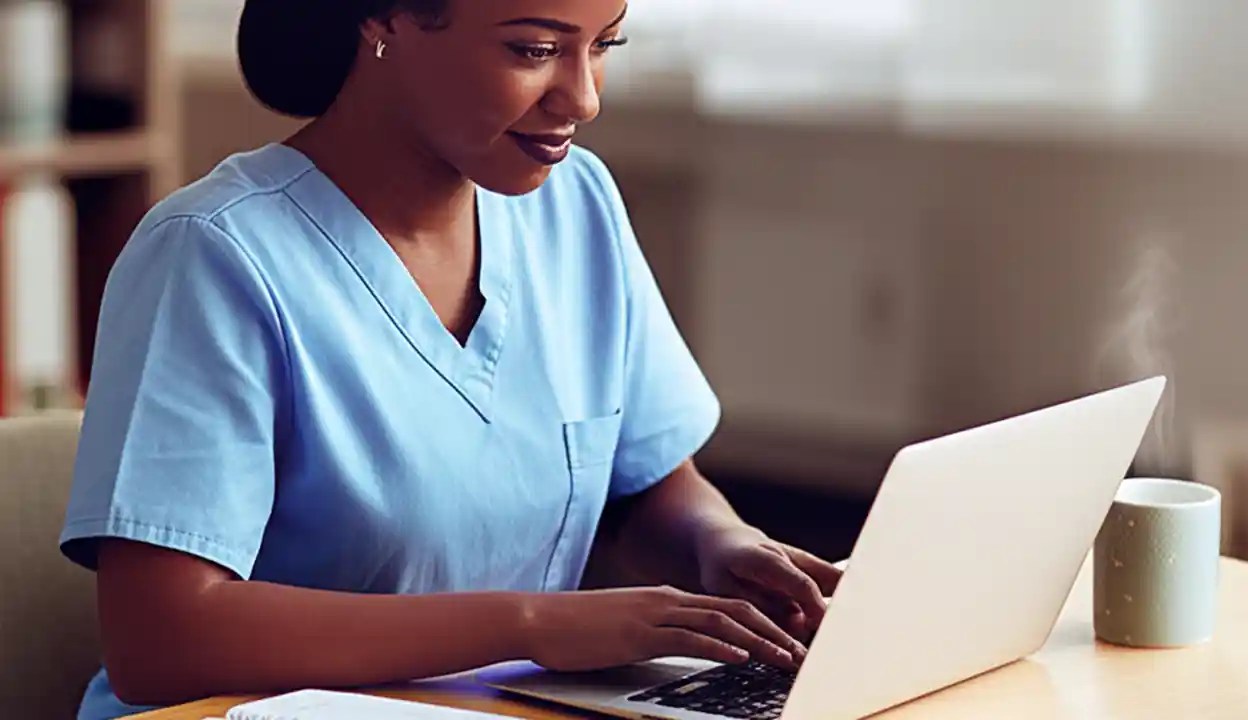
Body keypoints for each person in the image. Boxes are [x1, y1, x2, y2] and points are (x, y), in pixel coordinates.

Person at [59, 1, 842, 718]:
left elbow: (645, 486)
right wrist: (530, 624)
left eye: (605, 46)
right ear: (383, 20)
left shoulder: (578, 208)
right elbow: (158, 644)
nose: (584, 98)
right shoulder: (213, 255)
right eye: (534, 49)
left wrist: (723, 547)